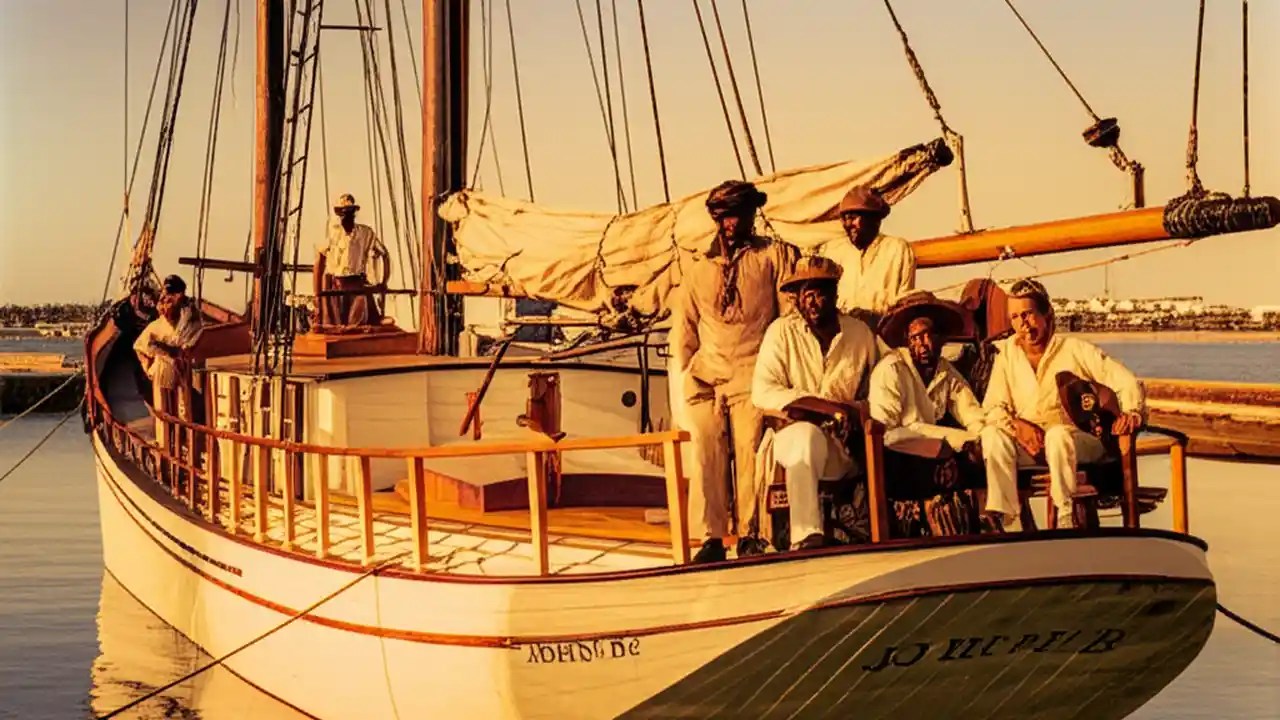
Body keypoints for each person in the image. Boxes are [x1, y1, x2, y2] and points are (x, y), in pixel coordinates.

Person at [676, 179, 797, 563]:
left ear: (751, 215)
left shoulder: (773, 257)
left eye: (739, 215)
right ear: (717, 218)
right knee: (708, 455)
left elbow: (787, 319)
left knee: (749, 454)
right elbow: (686, 326)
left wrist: (782, 378)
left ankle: (750, 535)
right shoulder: (697, 266)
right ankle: (711, 538)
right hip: (707, 377)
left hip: (754, 372)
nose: (732, 223)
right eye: (726, 216)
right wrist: (687, 371)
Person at [980, 279, 1145, 530]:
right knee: (992, 434)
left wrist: (1132, 410)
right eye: (1015, 317)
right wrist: (1017, 427)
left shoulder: (1073, 349)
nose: (1023, 324)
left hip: (1077, 440)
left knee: (1057, 436)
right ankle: (1005, 517)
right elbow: (993, 408)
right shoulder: (1007, 356)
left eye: (1028, 314)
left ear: (1046, 314)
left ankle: (1065, 512)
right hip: (1031, 445)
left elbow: (1124, 379)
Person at [752, 255, 880, 551]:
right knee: (806, 437)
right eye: (805, 293)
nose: (812, 301)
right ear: (796, 299)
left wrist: (852, 413)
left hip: (842, 448)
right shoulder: (781, 332)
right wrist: (823, 408)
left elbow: (878, 391)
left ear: (835, 293)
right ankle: (807, 536)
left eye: (820, 292)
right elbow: (763, 392)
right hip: (791, 440)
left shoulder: (859, 334)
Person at [826, 186, 916, 325]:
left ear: (874, 219)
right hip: (844, 335)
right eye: (845, 219)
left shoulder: (897, 249)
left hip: (882, 335)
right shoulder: (833, 252)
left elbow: (905, 305)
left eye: (853, 218)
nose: (848, 224)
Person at [133, 275, 203, 447]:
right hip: (163, 369)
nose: (166, 305)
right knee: (164, 409)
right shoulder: (157, 326)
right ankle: (167, 445)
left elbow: (191, 342)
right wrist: (148, 367)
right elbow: (140, 347)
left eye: (172, 298)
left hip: (182, 369)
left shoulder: (190, 319)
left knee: (184, 410)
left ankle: (186, 443)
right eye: (165, 302)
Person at [313, 193, 388, 329]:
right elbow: (319, 260)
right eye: (342, 213)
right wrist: (317, 294)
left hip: (356, 283)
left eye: (348, 213)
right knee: (334, 325)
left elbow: (384, 254)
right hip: (335, 285)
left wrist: (383, 282)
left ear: (354, 213)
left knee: (357, 323)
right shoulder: (332, 233)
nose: (345, 216)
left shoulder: (365, 233)